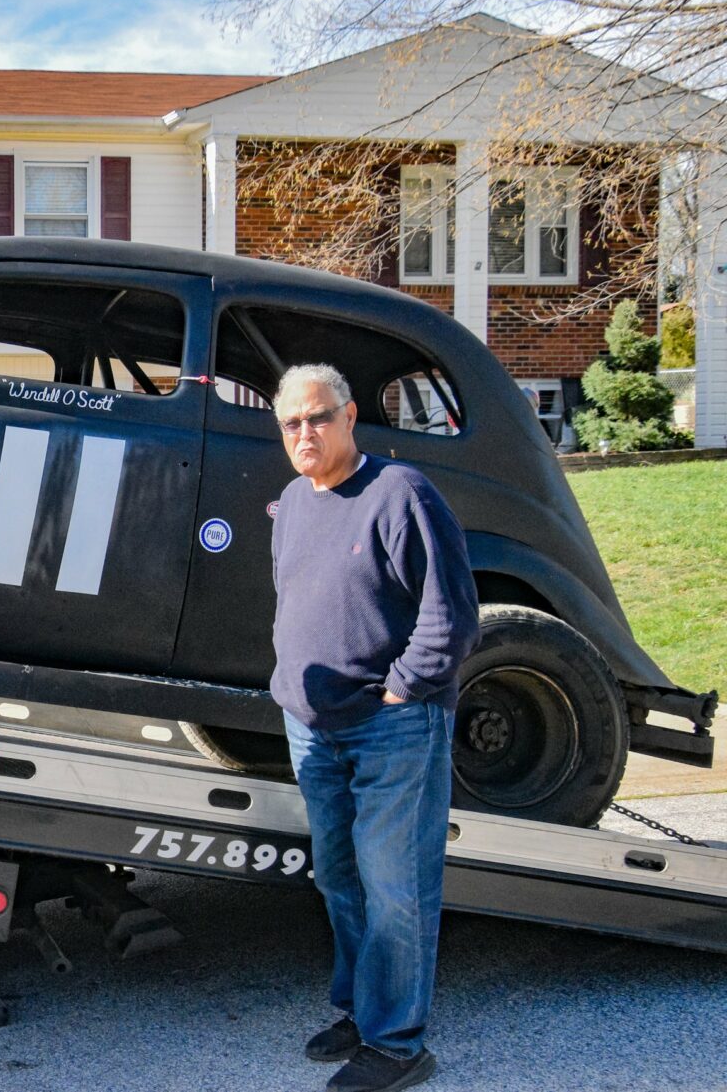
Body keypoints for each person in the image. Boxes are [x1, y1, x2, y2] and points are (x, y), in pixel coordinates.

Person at [269, 364, 479, 1092]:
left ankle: (397, 1043)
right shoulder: (295, 501)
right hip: (312, 727)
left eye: (318, 417)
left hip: (392, 726)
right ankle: (363, 1011)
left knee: (396, 883)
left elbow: (450, 611)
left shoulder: (400, 493)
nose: (305, 433)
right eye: (292, 422)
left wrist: (403, 688)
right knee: (339, 876)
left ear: (351, 415)